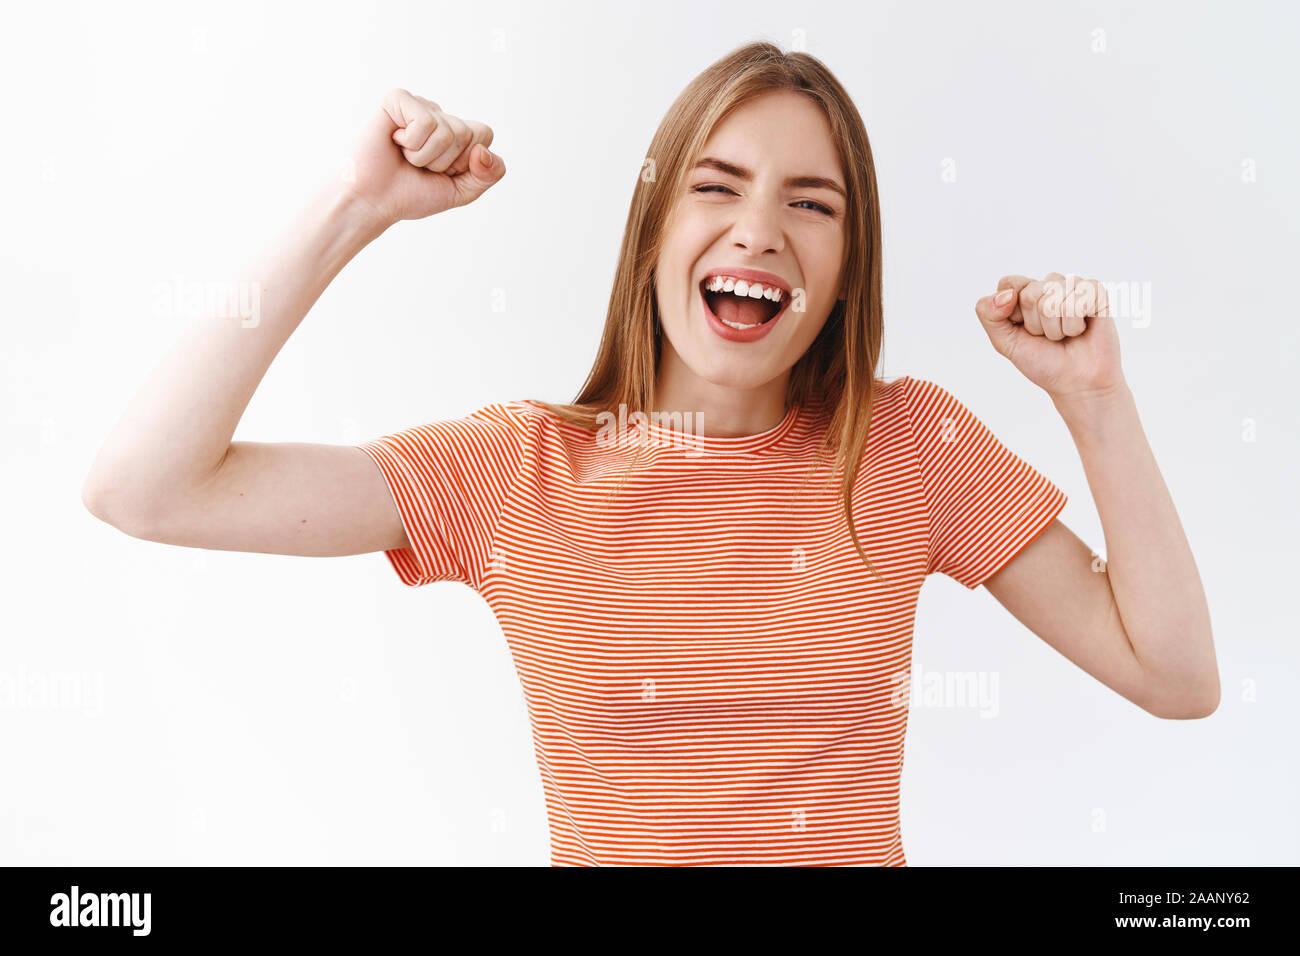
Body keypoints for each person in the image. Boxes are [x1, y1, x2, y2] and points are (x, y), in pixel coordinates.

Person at [82, 41, 1219, 866]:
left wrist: (1096, 398)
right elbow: (145, 487)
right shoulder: (511, 468)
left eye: (810, 204)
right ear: (653, 233)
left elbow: (1173, 677)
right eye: (715, 187)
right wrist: (354, 204)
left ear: (843, 270)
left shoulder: (907, 442)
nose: (758, 228)